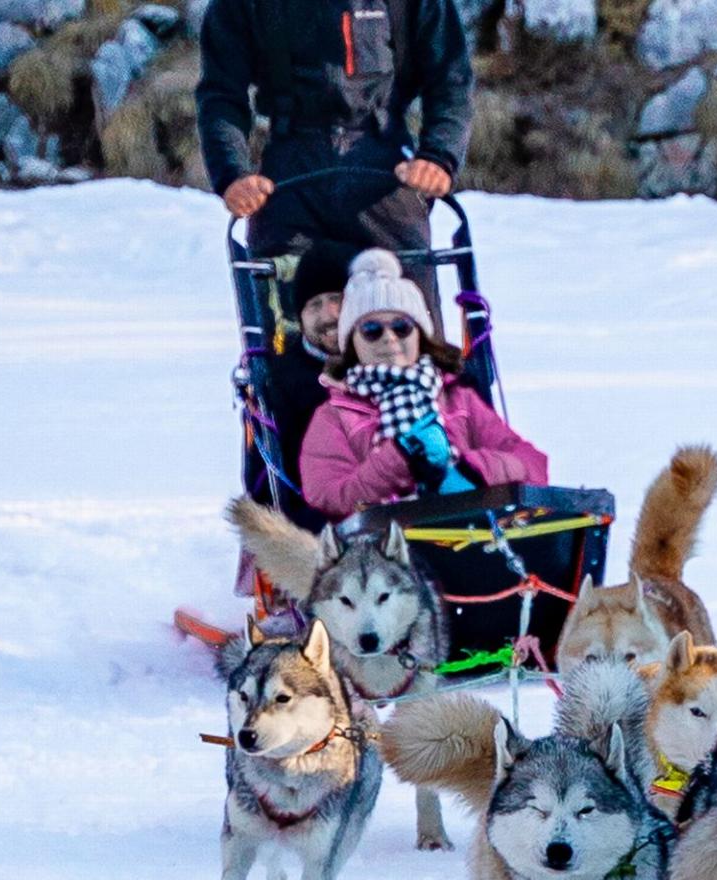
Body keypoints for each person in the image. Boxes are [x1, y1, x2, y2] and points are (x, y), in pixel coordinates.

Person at [194, 0, 473, 321]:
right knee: (282, 325)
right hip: (289, 170)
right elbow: (220, 95)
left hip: (385, 167)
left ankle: (416, 367)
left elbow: (451, 80)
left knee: (407, 318)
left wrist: (438, 158)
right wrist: (232, 174)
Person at [300, 250, 546, 520]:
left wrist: (471, 470)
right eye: (372, 330)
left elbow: (532, 464)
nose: (389, 339)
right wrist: (399, 458)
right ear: (353, 344)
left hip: (470, 527)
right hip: (385, 544)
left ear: (419, 335)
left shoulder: (457, 399)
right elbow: (326, 496)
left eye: (401, 327)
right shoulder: (336, 415)